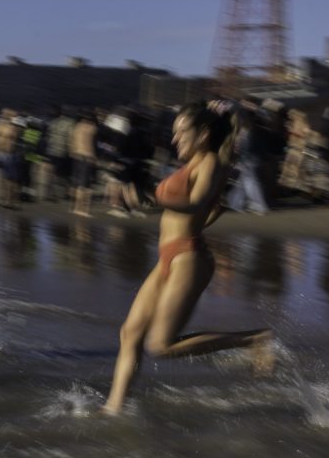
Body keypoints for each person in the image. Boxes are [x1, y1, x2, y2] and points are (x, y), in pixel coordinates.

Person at [102, 102, 274, 415]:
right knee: (130, 333)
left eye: (182, 132)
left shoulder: (209, 161)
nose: (175, 139)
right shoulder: (193, 163)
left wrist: (155, 196)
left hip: (188, 257)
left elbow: (195, 202)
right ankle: (114, 409)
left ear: (203, 134)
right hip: (168, 256)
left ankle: (253, 340)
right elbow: (208, 209)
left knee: (160, 346)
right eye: (174, 132)